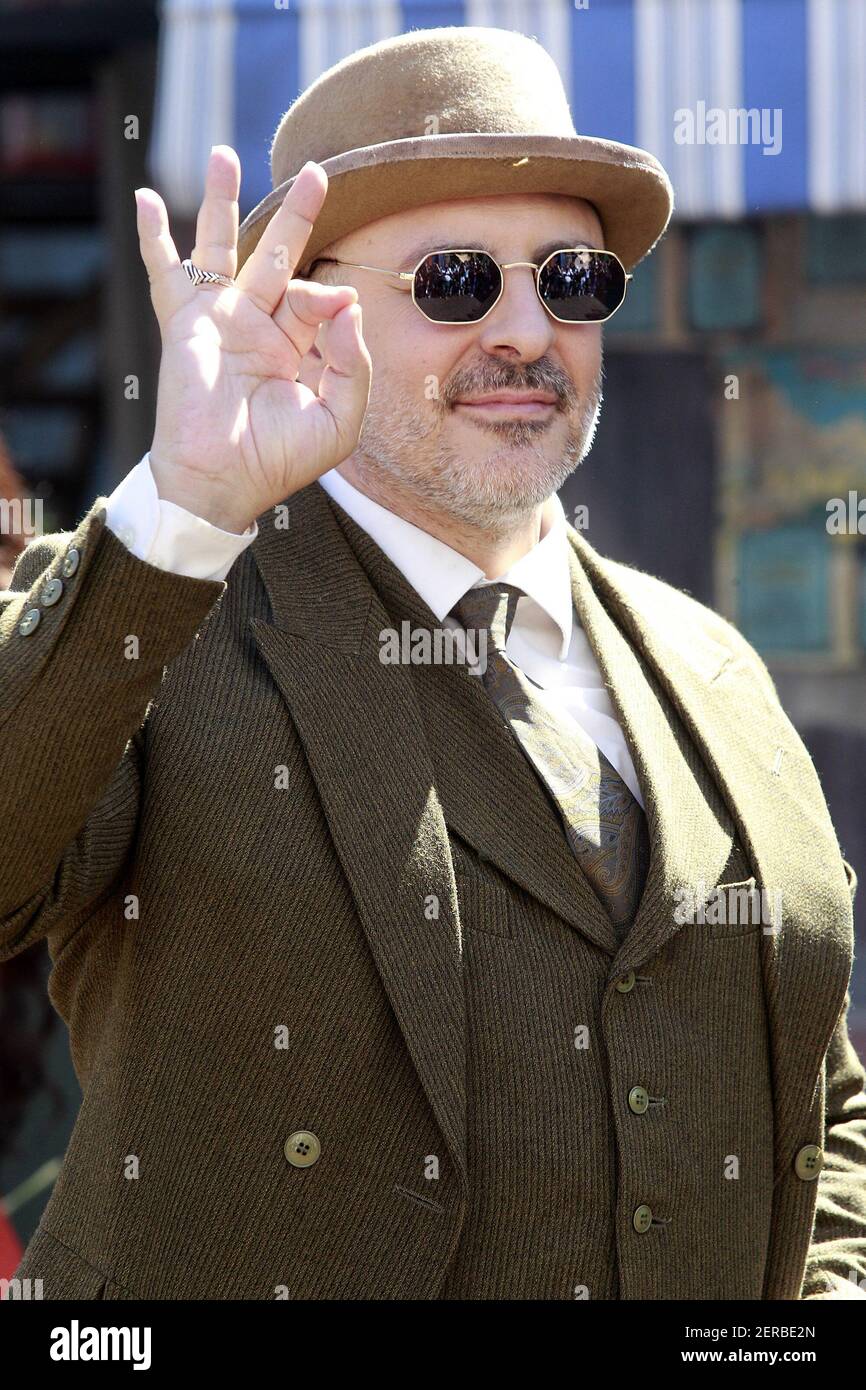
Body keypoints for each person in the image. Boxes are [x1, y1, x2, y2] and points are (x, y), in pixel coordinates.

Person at [2, 26, 865, 1302]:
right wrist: (180, 503)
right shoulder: (164, 615)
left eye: (572, 279)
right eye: (456, 280)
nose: (527, 330)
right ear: (301, 316)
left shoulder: (709, 664)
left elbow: (820, 1098)